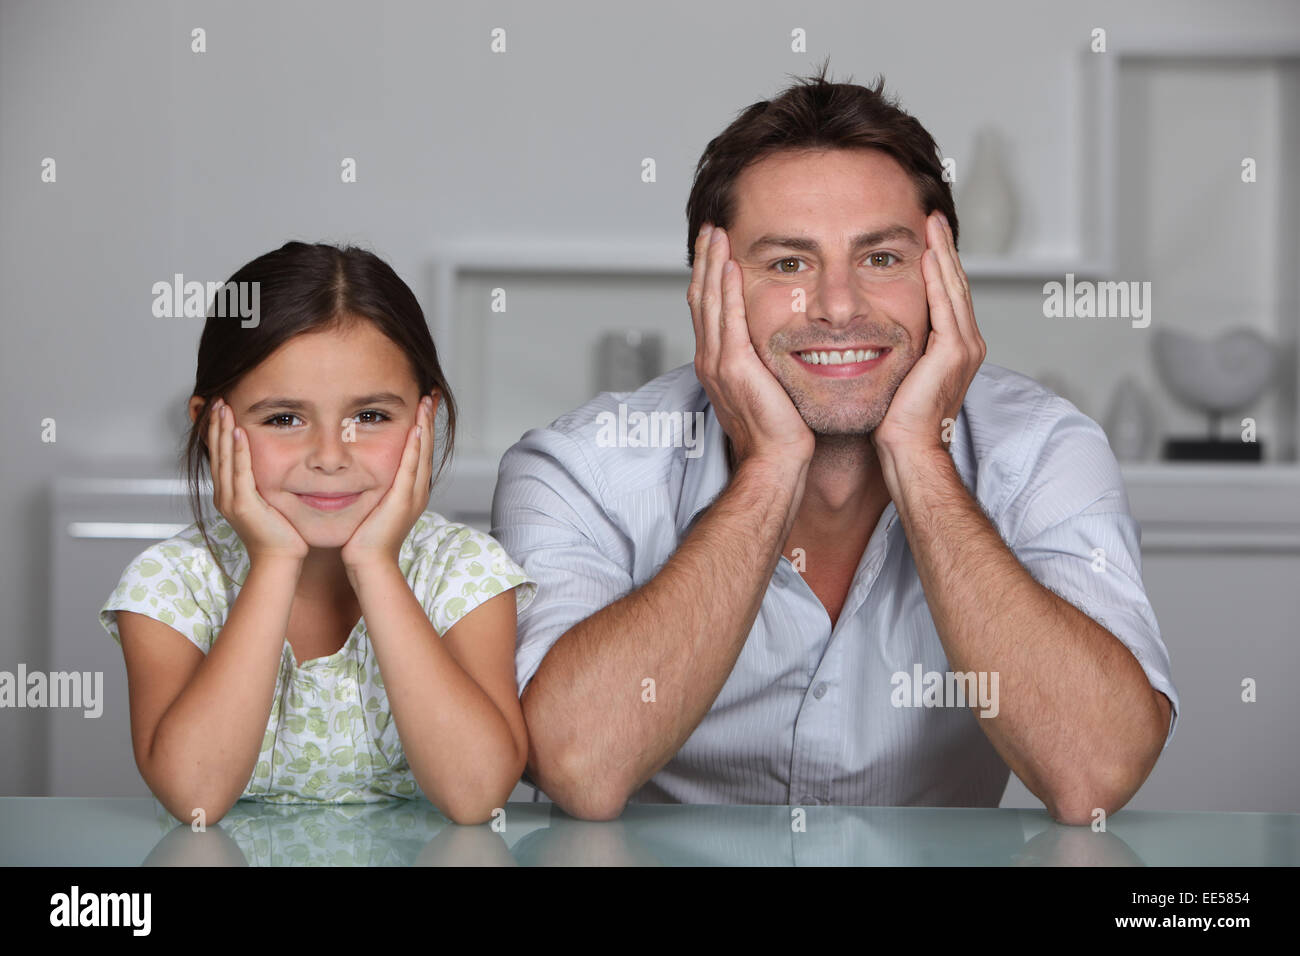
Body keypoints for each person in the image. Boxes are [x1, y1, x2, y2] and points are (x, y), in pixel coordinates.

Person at [492, 67, 1179, 823]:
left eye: (882, 259)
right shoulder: (578, 470)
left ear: (944, 278)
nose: (838, 306)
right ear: (710, 288)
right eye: (788, 263)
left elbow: (1097, 772)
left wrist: (921, 458)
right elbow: (579, 768)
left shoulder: (1046, 450)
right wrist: (768, 470)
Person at [99, 241, 536, 825]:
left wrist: (376, 565)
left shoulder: (464, 571)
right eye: (283, 419)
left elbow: (476, 794)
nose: (331, 456)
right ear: (210, 426)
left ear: (427, 420)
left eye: (371, 417)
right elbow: (195, 796)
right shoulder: (170, 584)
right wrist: (274, 560)